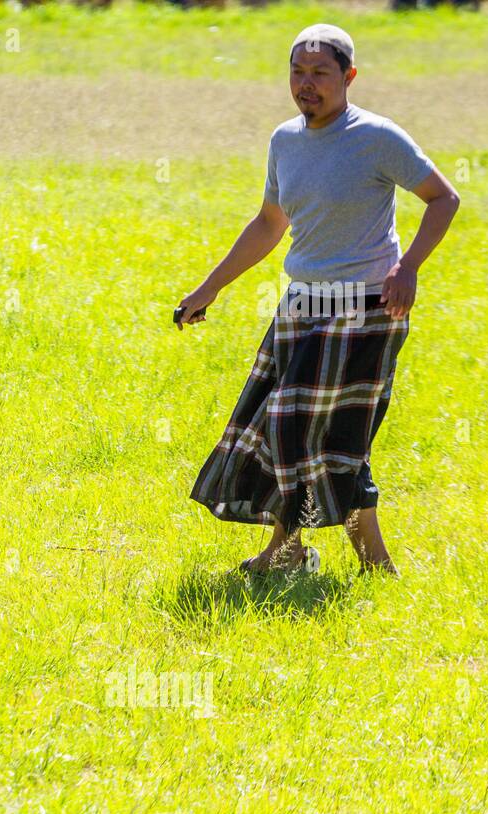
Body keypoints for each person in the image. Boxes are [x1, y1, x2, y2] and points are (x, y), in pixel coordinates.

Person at [177, 24, 459, 576]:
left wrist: (409, 268)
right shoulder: (284, 140)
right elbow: (268, 223)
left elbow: (443, 199)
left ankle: (294, 554)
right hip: (301, 307)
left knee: (299, 428)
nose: (307, 85)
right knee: (306, 434)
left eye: (321, 74)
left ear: (348, 77)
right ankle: (353, 563)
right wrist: (210, 287)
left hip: (367, 308)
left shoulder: (377, 137)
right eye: (297, 73)